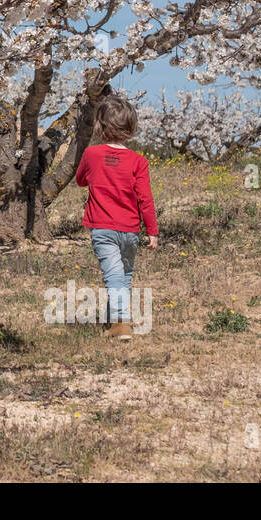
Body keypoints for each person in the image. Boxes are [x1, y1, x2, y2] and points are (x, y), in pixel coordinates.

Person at [75, 93, 159, 341]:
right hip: (131, 230)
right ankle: (115, 324)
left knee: (113, 276)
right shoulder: (138, 161)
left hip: (103, 229)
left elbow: (80, 180)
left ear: (99, 127)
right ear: (131, 128)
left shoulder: (92, 155)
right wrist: (152, 231)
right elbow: (146, 199)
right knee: (123, 277)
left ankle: (122, 324)